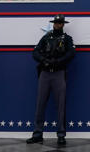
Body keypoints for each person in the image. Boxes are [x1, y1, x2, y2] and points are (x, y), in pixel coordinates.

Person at [27, 14, 75, 146]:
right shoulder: (46, 37)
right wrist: (44, 60)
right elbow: (35, 52)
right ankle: (37, 134)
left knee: (60, 105)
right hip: (45, 73)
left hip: (59, 73)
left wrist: (58, 61)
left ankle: (61, 135)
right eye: (56, 22)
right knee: (40, 104)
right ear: (53, 23)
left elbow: (71, 53)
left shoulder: (67, 38)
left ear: (63, 24)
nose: (57, 24)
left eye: (60, 23)